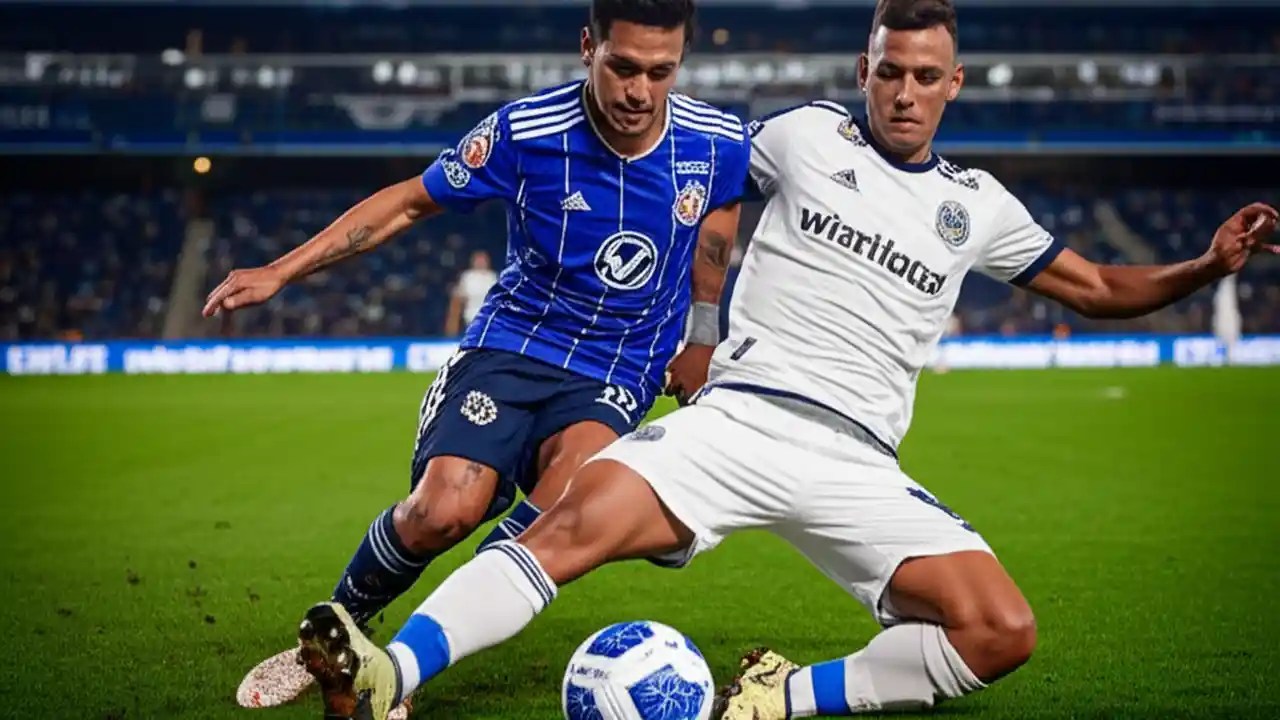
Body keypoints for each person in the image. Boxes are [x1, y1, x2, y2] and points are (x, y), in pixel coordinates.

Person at [290, 1, 1280, 719]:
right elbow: (692, 170)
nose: (903, 91)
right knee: (565, 521)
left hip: (858, 463)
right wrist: (700, 331)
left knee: (998, 631)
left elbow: (1100, 289)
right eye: (887, 71)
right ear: (864, 70)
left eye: (923, 76)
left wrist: (1205, 262)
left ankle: (777, 699)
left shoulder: (977, 207)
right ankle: (389, 677)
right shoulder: (800, 137)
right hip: (736, 418)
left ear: (952, 85)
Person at [204, 0, 748, 712]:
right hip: (513, 346)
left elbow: (719, 218)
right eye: (622, 67)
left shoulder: (717, 140)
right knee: (442, 513)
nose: (640, 92)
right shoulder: (525, 133)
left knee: (556, 519)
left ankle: (395, 671)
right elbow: (406, 203)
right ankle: (332, 636)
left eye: (660, 72)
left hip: (618, 368)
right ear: (588, 47)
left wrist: (704, 334)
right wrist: (280, 269)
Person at [443, 250, 497, 337]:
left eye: (483, 260)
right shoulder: (467, 276)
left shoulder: (492, 276)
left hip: (489, 318)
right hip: (471, 316)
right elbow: (459, 295)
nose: (480, 263)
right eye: (478, 260)